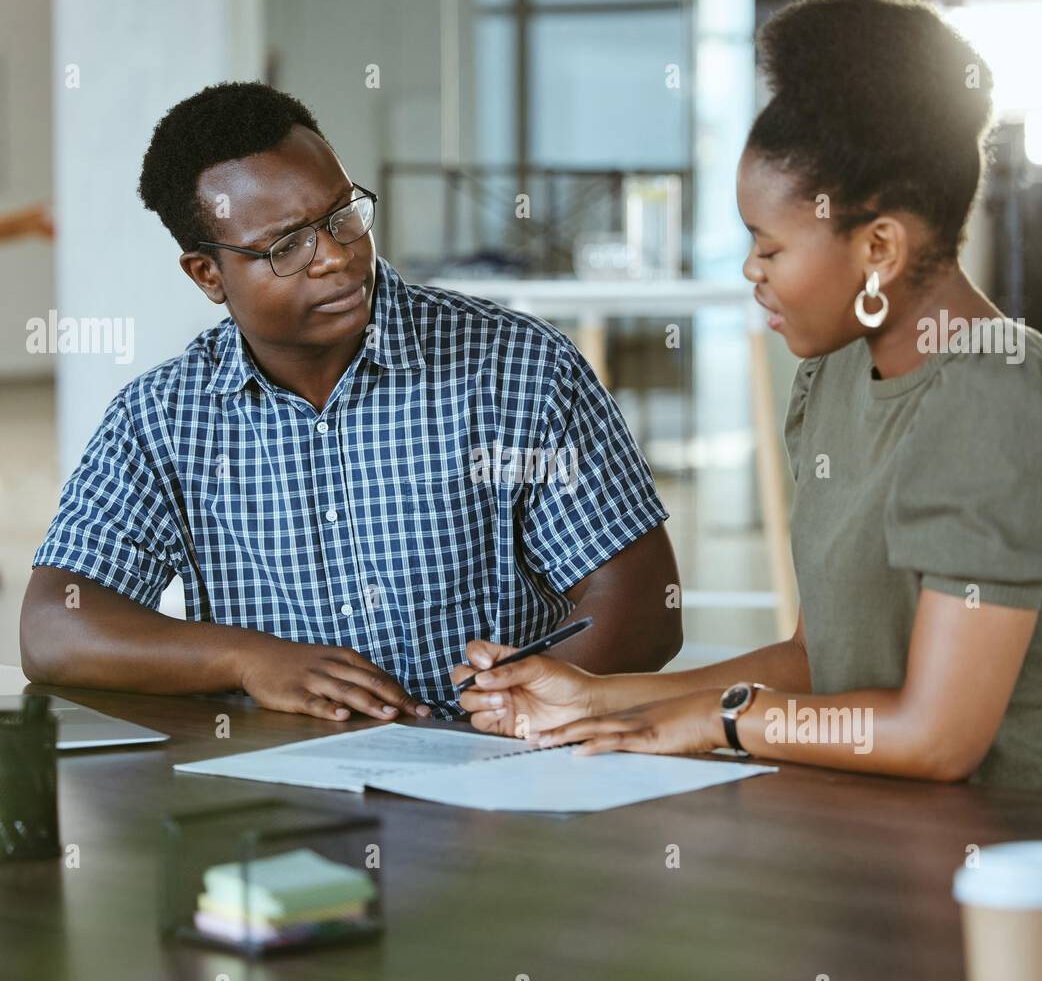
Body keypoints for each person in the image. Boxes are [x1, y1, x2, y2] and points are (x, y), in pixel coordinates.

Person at [454, 0, 1042, 789]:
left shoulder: (992, 395)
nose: (751, 271)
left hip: (996, 855)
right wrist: (598, 700)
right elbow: (814, 659)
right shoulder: (836, 372)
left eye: (770, 247)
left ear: (878, 245)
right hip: (864, 829)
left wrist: (721, 719)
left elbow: (937, 737)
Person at [21, 83, 681, 720]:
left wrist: (516, 715)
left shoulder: (516, 368)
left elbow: (647, 602)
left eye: (342, 216)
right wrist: (248, 659)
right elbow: (54, 626)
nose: (335, 257)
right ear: (208, 275)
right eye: (287, 246)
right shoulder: (164, 418)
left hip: (502, 774)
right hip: (280, 788)